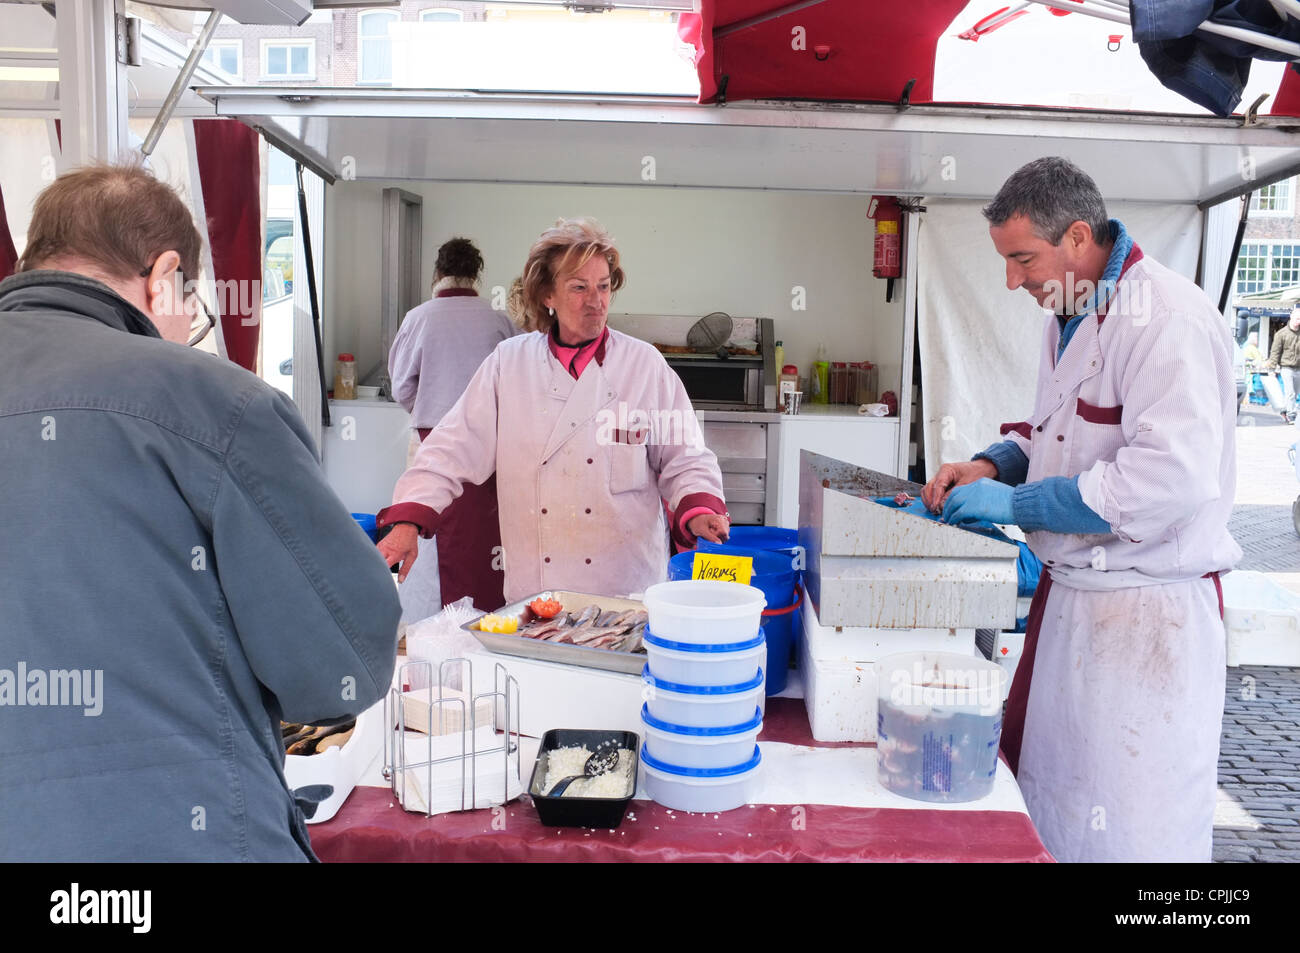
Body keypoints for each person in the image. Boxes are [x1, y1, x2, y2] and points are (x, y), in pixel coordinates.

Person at [0, 164, 400, 862]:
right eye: (193, 306)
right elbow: (344, 664)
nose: (188, 328)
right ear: (164, 276)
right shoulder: (212, 401)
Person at [921, 157, 1240, 863]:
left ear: (1074, 237)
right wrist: (991, 462)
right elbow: (1057, 434)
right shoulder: (1067, 310)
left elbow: (1167, 478)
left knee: (1131, 832)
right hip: (1076, 610)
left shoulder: (1168, 318)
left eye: (1021, 259)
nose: (1013, 281)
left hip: (1146, 619)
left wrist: (1020, 500)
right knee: (1053, 817)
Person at [377, 217, 729, 601]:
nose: (595, 302)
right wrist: (409, 518)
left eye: (604, 286)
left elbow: (686, 456)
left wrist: (699, 505)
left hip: (626, 591)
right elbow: (452, 449)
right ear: (547, 295)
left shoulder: (644, 365)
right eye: (579, 288)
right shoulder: (508, 365)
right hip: (537, 591)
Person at [388, 237, 520, 615]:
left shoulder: (419, 318)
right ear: (476, 274)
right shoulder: (498, 319)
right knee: (484, 539)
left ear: (438, 272)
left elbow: (401, 386)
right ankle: (490, 616)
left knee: (426, 535)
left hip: (432, 440)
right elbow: (517, 383)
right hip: (489, 449)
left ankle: (429, 625)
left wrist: (430, 408)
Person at [1263, 308, 1300, 423]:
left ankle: (1285, 410)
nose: (1298, 321)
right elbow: (1275, 352)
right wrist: (1271, 369)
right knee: (1290, 393)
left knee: (1294, 393)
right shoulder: (1281, 334)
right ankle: (1291, 415)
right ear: (1291, 317)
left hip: (1298, 368)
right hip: (1286, 367)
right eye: (1297, 318)